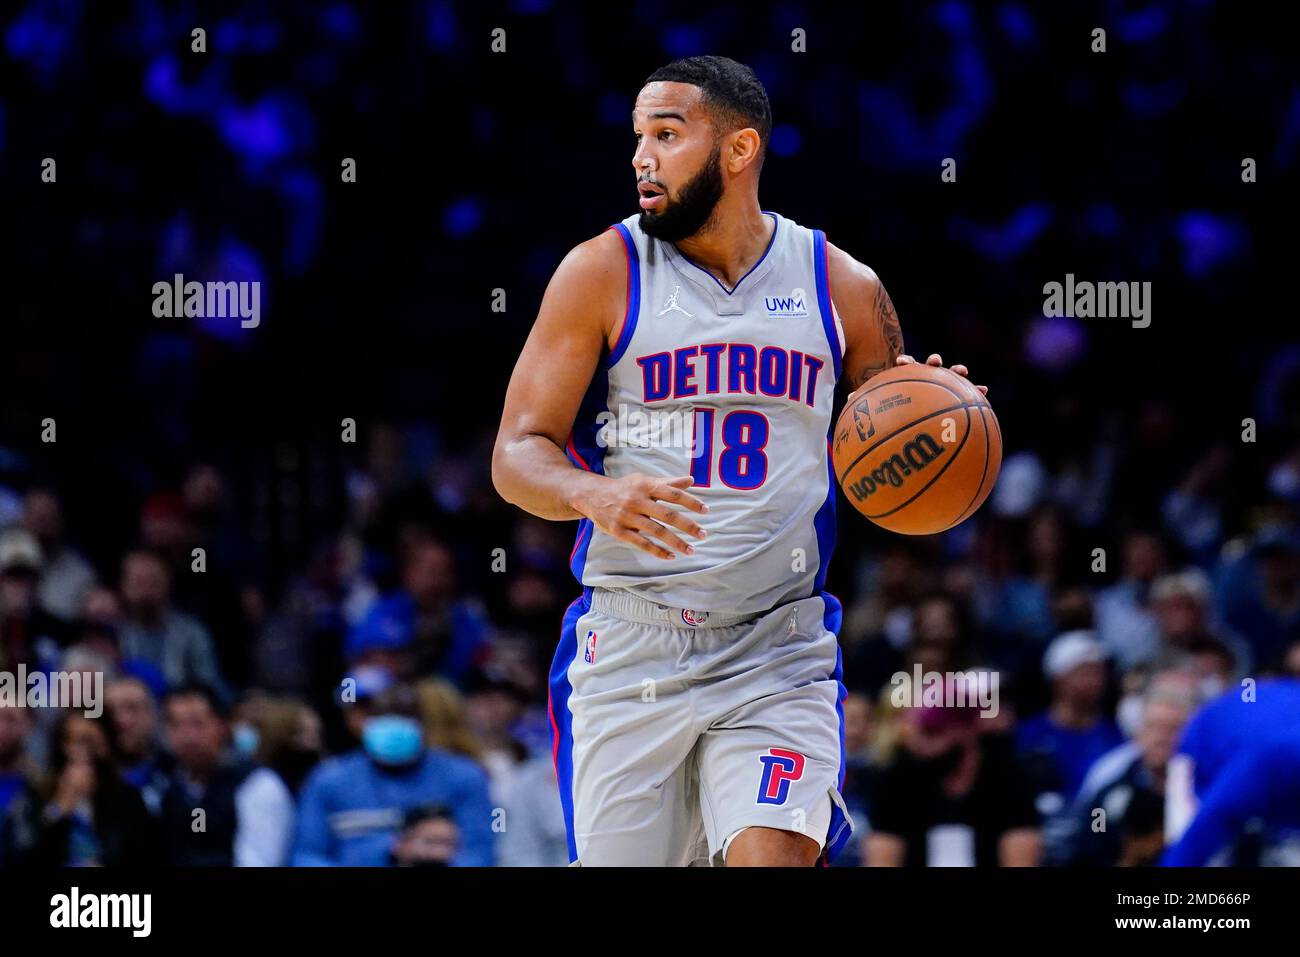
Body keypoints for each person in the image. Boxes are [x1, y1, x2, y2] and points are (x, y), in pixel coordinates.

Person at [492, 54, 984, 867]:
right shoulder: (601, 271)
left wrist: (939, 419)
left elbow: (895, 427)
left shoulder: (841, 285)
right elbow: (516, 453)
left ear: (739, 149)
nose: (641, 157)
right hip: (631, 643)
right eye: (638, 137)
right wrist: (593, 494)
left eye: (667, 134)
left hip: (774, 647)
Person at [292, 684, 494, 866]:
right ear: (367, 724)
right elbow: (305, 855)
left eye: (404, 717)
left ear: (423, 725)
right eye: (382, 717)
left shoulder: (465, 776)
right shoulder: (328, 779)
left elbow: (480, 853)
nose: (393, 725)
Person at [865, 685, 1041, 867]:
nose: (921, 745)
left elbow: (1020, 858)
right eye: (918, 732)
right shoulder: (897, 781)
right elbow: (882, 858)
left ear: (968, 729)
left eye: (933, 732)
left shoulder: (1008, 779)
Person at [156, 684, 295, 866]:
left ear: (222, 725)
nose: (187, 736)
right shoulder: (168, 786)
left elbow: (259, 862)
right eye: (176, 725)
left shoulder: (257, 784)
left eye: (197, 723)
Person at [0, 713, 161, 866]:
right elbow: (25, 859)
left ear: (105, 745)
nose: (80, 752)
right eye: (72, 741)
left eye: (88, 741)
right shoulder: (37, 797)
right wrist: (60, 808)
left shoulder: (129, 800)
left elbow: (143, 857)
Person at [1016, 631, 1124, 806]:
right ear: (1059, 678)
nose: (1095, 680)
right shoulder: (1030, 735)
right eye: (1085, 673)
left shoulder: (1114, 734)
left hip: (1096, 824)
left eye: (1099, 672)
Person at [116, 550, 229, 701]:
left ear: (168, 583)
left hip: (180, 713)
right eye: (139, 582)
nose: (146, 590)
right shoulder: (111, 633)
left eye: (153, 582)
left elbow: (208, 686)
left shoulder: (192, 632)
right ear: (124, 586)